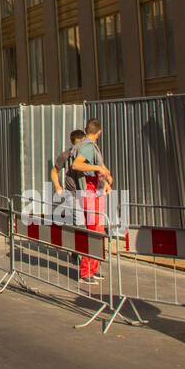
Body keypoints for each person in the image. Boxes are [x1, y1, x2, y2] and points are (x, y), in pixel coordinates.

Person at [72, 119, 113, 282]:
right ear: (99, 132)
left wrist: (105, 178)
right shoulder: (88, 146)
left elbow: (95, 169)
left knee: (98, 229)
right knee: (94, 230)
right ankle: (85, 272)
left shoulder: (84, 145)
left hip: (94, 189)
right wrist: (98, 168)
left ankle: (92, 268)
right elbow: (77, 165)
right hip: (90, 191)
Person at [50, 129, 85, 224]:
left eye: (82, 143)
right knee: (80, 221)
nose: (79, 146)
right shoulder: (66, 155)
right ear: (72, 143)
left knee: (88, 221)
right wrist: (58, 186)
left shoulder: (87, 154)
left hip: (86, 194)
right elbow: (54, 171)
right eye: (77, 144)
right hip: (72, 193)